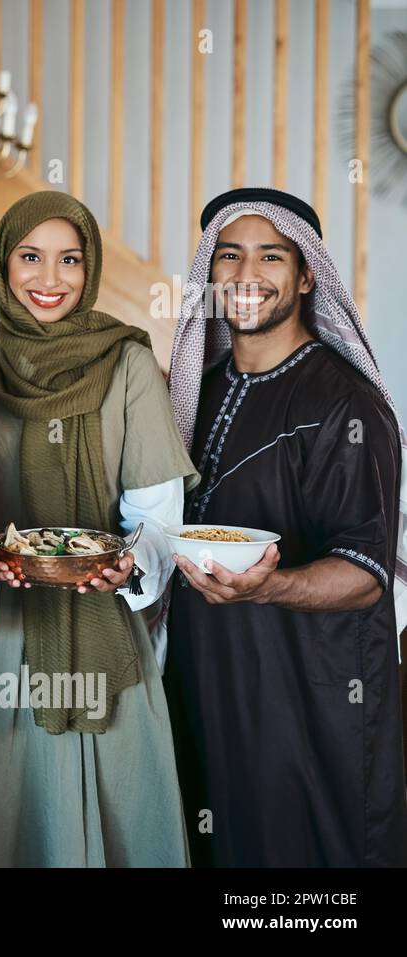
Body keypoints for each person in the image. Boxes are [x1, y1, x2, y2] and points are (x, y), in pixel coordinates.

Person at [0, 191, 198, 867]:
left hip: (105, 635)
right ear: (3, 265)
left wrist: (130, 563)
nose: (49, 279)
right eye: (30, 256)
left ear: (90, 271)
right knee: (10, 813)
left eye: (70, 260)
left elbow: (156, 518)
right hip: (2, 638)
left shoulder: (129, 366)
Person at [163, 187, 407, 867]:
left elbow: (364, 573)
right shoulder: (197, 392)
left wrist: (266, 588)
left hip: (311, 702)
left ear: (306, 276)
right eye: (230, 256)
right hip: (212, 686)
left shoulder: (346, 404)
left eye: (271, 256)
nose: (246, 275)